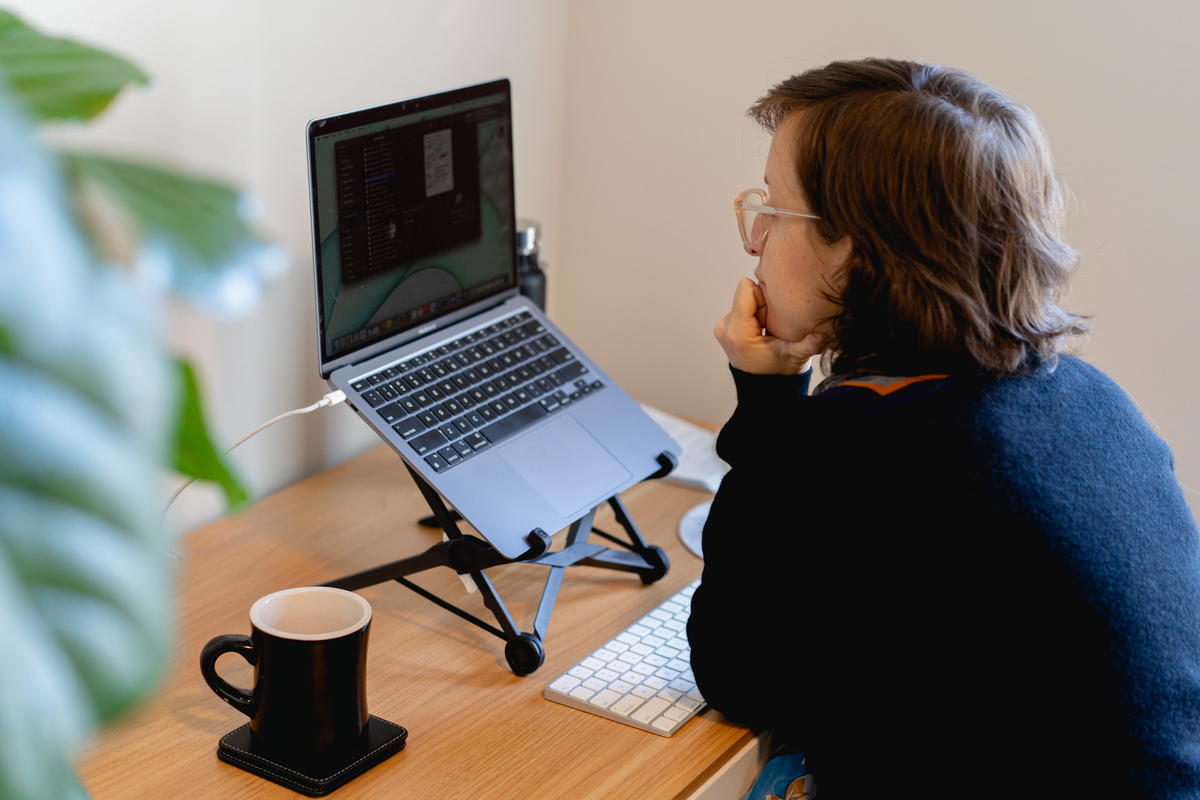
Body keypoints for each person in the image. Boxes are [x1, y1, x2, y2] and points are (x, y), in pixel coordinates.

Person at [686, 58, 1200, 799]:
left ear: (861, 246)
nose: (754, 242)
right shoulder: (1089, 399)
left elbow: (738, 675)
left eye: (776, 209)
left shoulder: (868, 446)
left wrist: (768, 403)